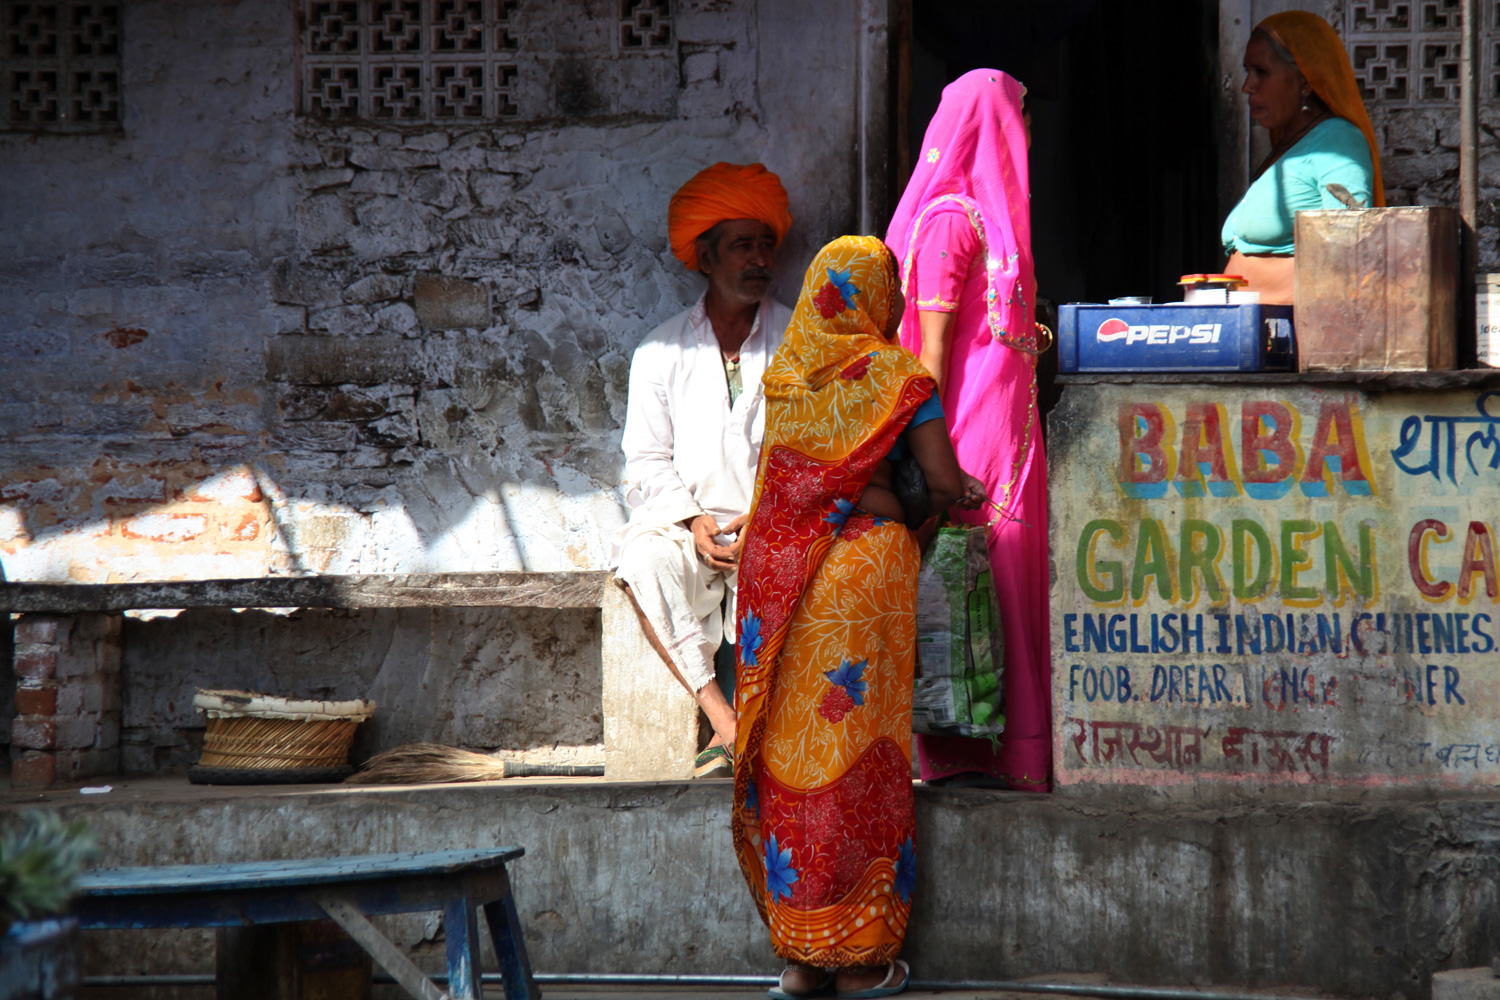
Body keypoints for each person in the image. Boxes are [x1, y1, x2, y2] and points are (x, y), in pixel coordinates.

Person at [732, 236, 985, 1000]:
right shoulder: (896, 375)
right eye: (895, 288)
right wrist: (943, 501)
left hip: (786, 579)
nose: (903, 302)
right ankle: (865, 959)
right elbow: (941, 478)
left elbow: (789, 492)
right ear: (874, 298)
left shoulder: (786, 376)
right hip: (865, 576)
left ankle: (803, 958)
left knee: (797, 752)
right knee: (862, 751)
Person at [884, 69, 1052, 792]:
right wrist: (937, 466)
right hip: (968, 445)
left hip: (1008, 441)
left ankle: (1017, 753)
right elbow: (928, 360)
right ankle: (964, 757)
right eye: (1019, 119)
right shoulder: (953, 218)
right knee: (972, 588)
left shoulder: (991, 218)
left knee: (1007, 590)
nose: (1027, 137)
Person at [615, 162, 794, 779]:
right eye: (743, 245)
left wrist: (767, 516)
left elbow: (814, 449)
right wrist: (692, 521)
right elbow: (644, 462)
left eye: (766, 244)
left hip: (773, 521)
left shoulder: (800, 339)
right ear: (706, 259)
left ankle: (764, 727)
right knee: (642, 561)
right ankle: (723, 718)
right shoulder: (659, 351)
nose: (759, 258)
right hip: (691, 530)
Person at [1221, 11, 1384, 304]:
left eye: (1261, 71)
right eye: (1247, 71)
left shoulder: (1337, 142)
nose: (1248, 86)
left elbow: (1348, 254)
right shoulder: (1286, 150)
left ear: (1304, 80)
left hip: (1292, 337)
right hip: (1247, 333)